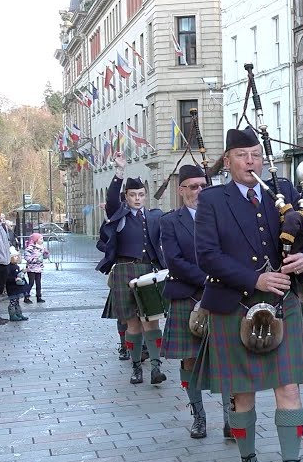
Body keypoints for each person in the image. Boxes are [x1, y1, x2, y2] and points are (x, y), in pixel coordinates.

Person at [193, 126, 303, 462]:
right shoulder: (213, 200)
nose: (250, 161)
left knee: (289, 387)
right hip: (234, 305)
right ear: (228, 161)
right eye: (242, 155)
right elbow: (207, 255)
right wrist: (255, 279)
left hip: (282, 306)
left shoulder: (283, 193)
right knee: (243, 394)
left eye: (255, 154)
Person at [161, 164, 230, 439]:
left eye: (203, 185)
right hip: (187, 295)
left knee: (226, 359)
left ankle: (230, 418)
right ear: (181, 191)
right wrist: (209, 278)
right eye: (193, 186)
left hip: (222, 296)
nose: (199, 191)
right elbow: (174, 261)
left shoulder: (222, 216)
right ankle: (199, 417)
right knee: (190, 361)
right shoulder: (169, 222)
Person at [96, 156, 167, 385]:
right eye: (133, 195)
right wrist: (119, 172)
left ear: (145, 196)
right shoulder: (120, 214)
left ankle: (156, 367)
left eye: (141, 195)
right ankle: (136, 368)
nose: (137, 199)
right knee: (133, 323)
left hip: (149, 271)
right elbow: (110, 200)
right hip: (124, 271)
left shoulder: (155, 217)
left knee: (152, 322)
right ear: (126, 197)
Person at [23, 233, 48, 304]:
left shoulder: (42, 247)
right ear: (35, 240)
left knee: (38, 283)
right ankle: (26, 296)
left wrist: (46, 254)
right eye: (40, 239)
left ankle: (39, 296)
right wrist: (35, 260)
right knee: (31, 282)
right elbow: (27, 257)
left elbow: (44, 257)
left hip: (39, 268)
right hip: (31, 268)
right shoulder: (30, 247)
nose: (42, 240)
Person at [5, 250, 30, 321]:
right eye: (15, 256)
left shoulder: (16, 266)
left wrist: (22, 272)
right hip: (12, 287)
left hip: (17, 287)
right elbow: (8, 278)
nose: (16, 258)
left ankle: (18, 313)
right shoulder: (9, 267)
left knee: (17, 301)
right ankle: (12, 315)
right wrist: (15, 279)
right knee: (13, 301)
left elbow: (18, 274)